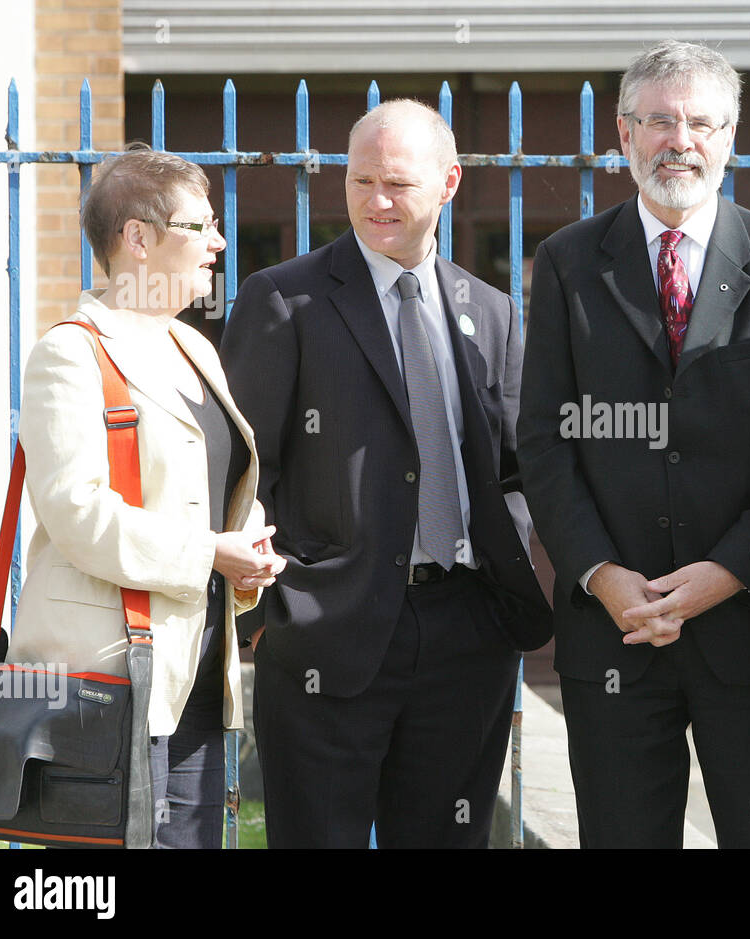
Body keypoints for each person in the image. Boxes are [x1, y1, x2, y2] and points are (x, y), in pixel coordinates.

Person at [518, 40, 750, 848]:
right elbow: (544, 439)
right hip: (615, 632)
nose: (680, 141)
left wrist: (726, 573)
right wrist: (601, 574)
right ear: (624, 133)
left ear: (729, 137)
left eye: (701, 123)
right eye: (659, 121)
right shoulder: (565, 263)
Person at [220, 99, 552, 848]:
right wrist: (274, 609)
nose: (376, 201)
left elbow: (516, 469)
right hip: (324, 636)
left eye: (397, 183)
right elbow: (244, 470)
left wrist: (497, 585)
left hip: (466, 636)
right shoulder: (286, 300)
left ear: (449, 183)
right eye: (360, 180)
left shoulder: (492, 312)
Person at [8, 147, 285, 849]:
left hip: (195, 675)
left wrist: (246, 551)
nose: (219, 242)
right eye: (201, 225)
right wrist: (209, 553)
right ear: (137, 237)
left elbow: (208, 483)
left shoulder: (195, 348)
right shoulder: (70, 353)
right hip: (109, 678)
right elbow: (77, 511)